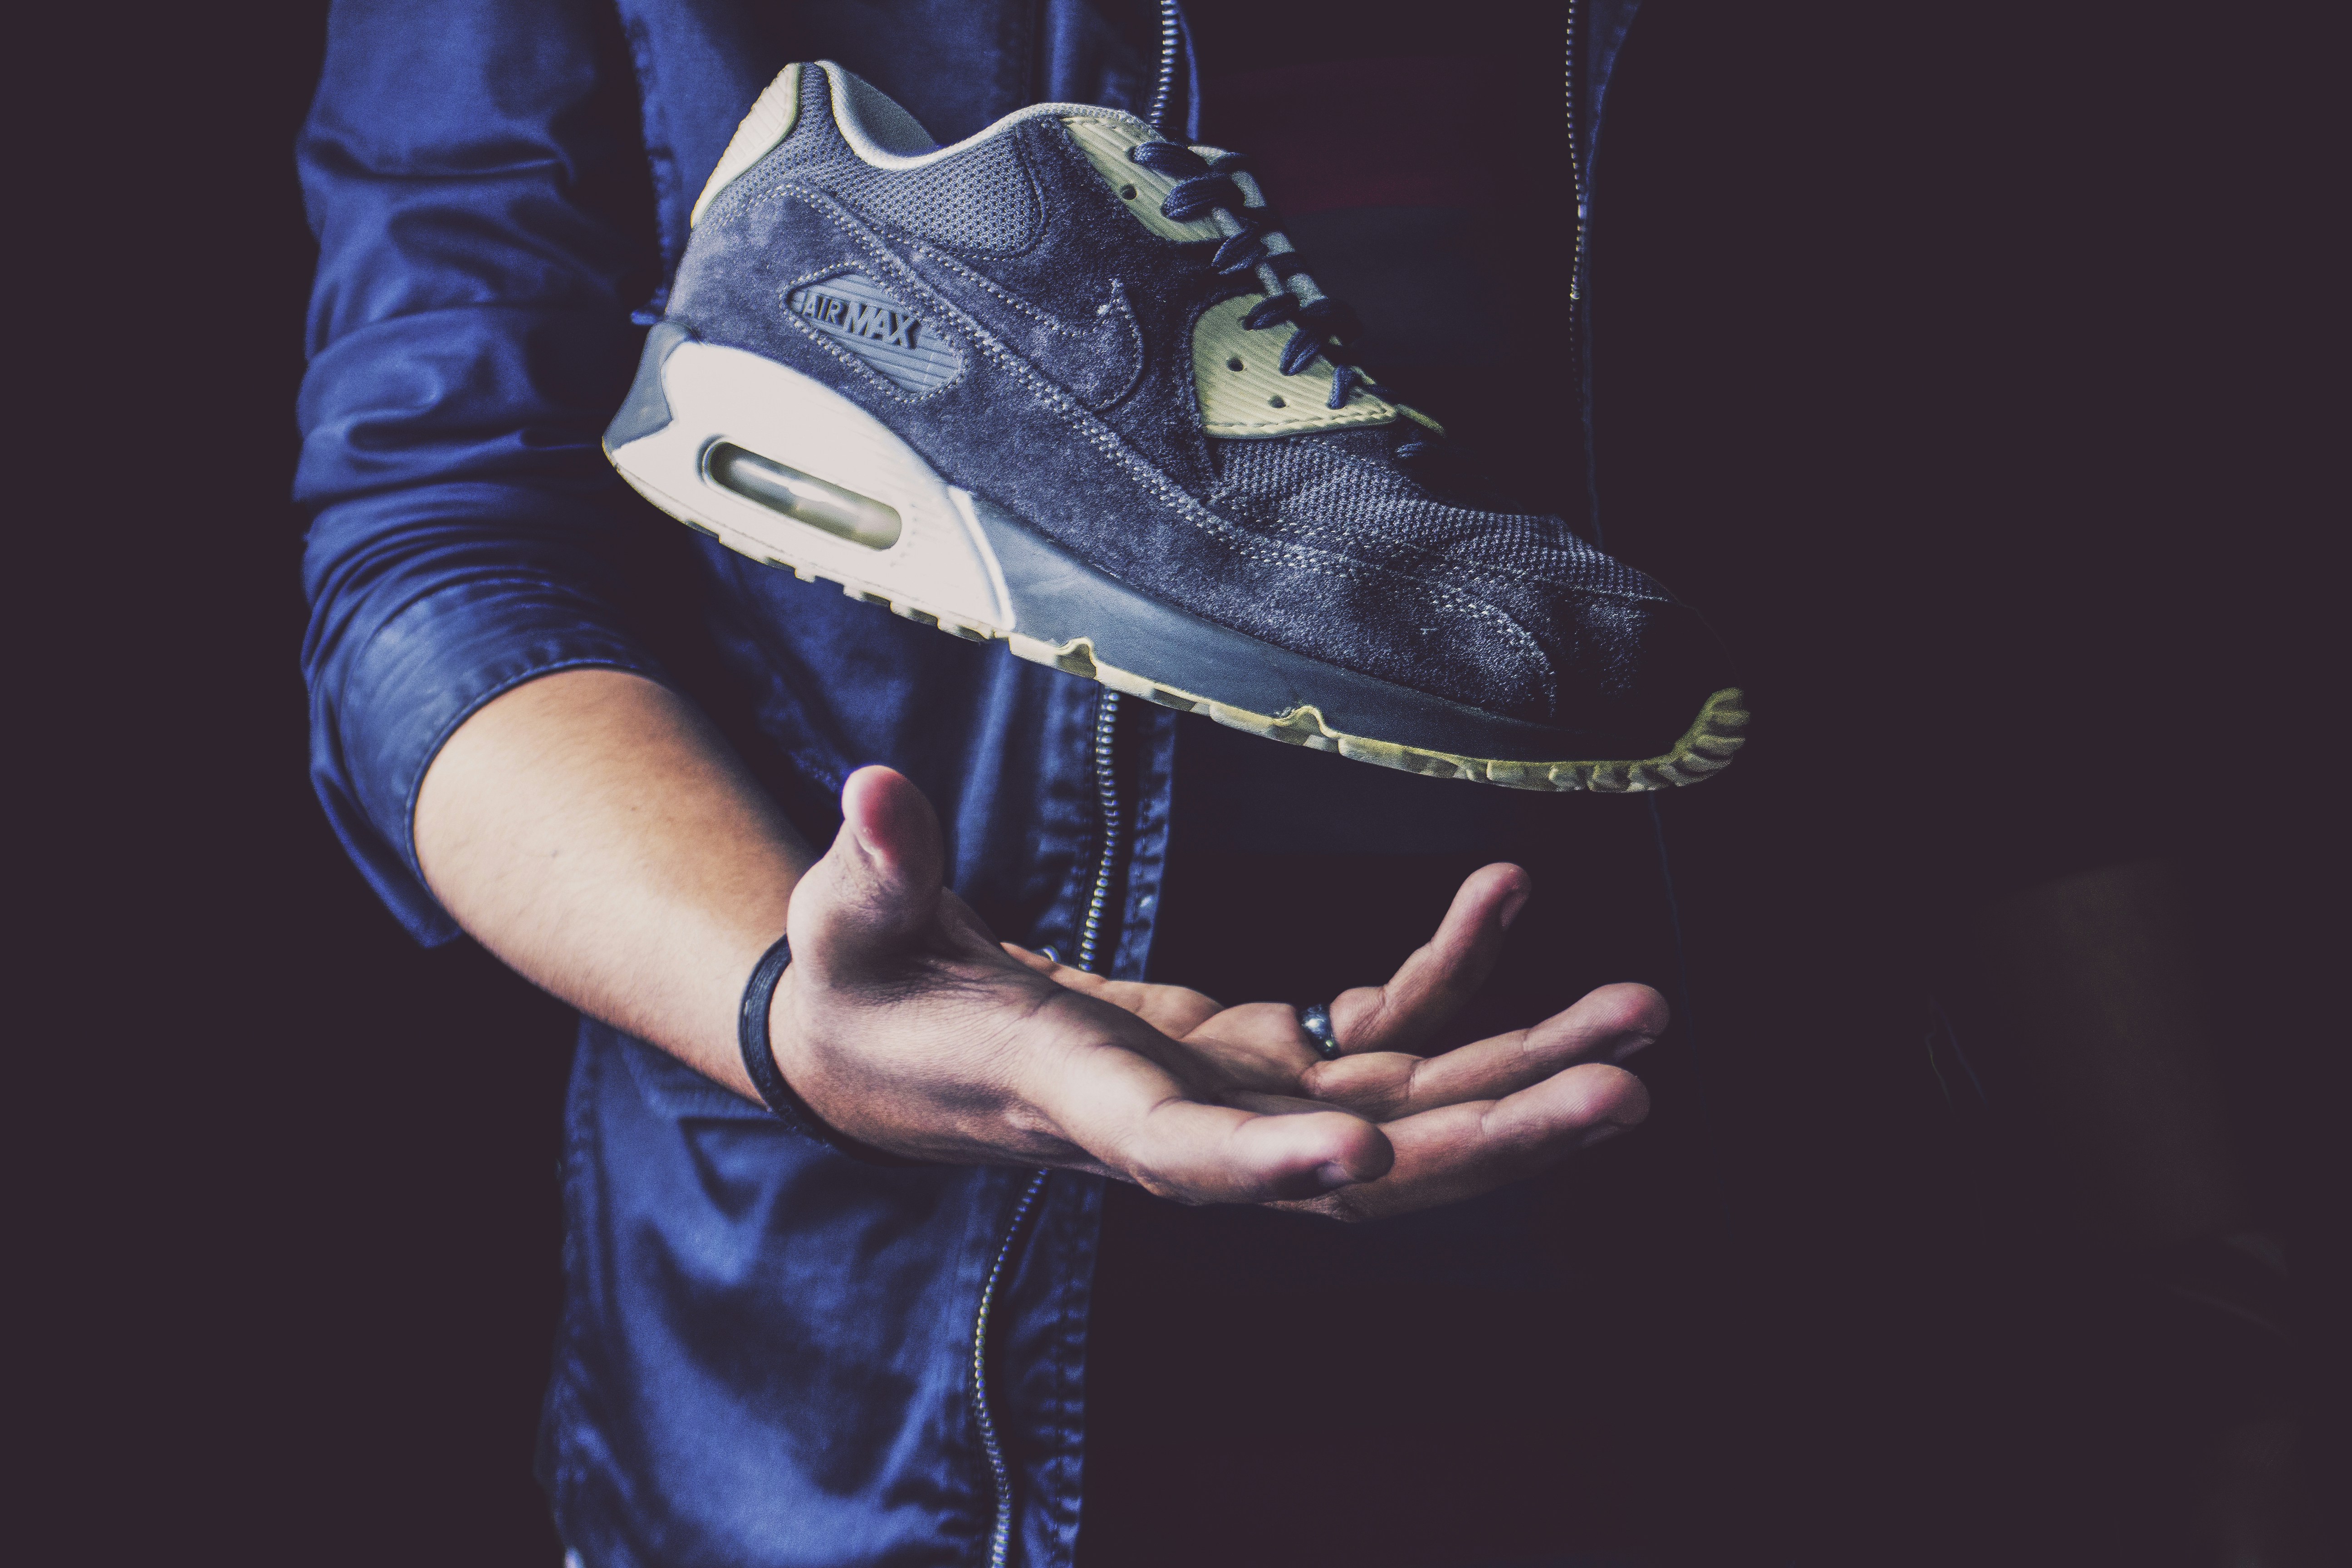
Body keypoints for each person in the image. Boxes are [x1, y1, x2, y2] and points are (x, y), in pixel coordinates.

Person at [298, 1, 2310, 1563]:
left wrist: (2206, 1315)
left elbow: (1986, 622)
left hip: (1736, 1339)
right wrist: (789, 1005)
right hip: (884, 1435)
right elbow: (433, 552)